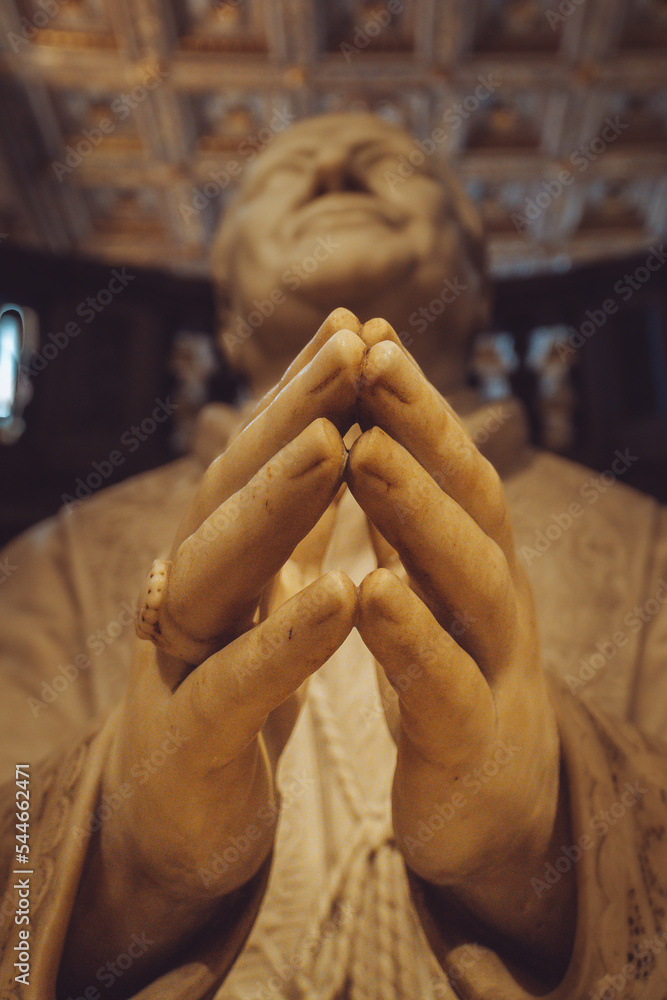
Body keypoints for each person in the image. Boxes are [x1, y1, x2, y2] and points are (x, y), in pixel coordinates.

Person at [1, 111, 666, 1000]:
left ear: (475, 291)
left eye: (388, 164)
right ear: (230, 321)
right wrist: (126, 867)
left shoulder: (648, 551)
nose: (335, 170)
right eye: (288, 170)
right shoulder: (53, 562)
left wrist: (542, 848)